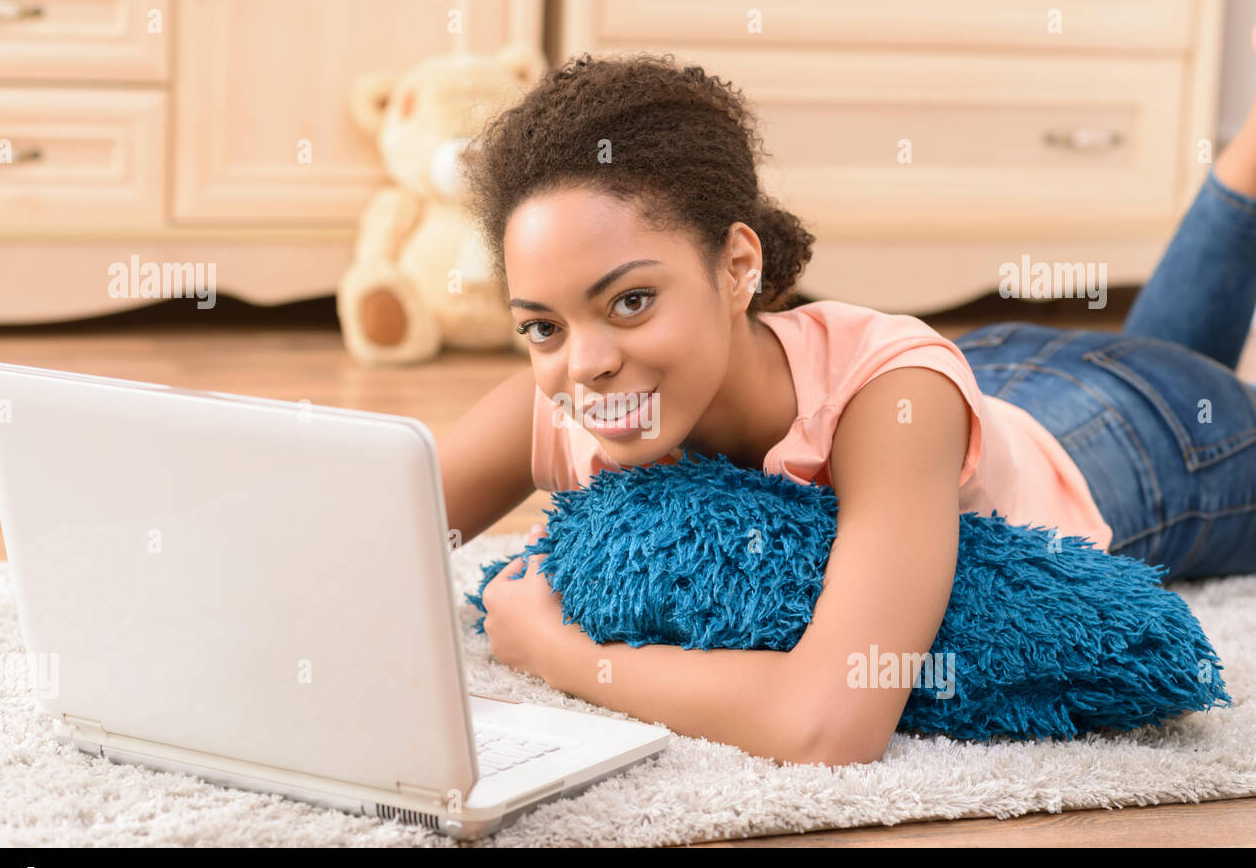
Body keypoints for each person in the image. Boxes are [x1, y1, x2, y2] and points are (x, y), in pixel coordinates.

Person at [437, 51, 1256, 766]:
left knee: (1183, 377)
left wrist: (558, 651)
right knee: (1164, 341)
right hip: (990, 373)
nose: (585, 364)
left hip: (1144, 442)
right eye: (541, 325)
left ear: (736, 266)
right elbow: (350, 532)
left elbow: (828, 724)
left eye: (630, 301)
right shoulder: (577, 399)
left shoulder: (891, 398)